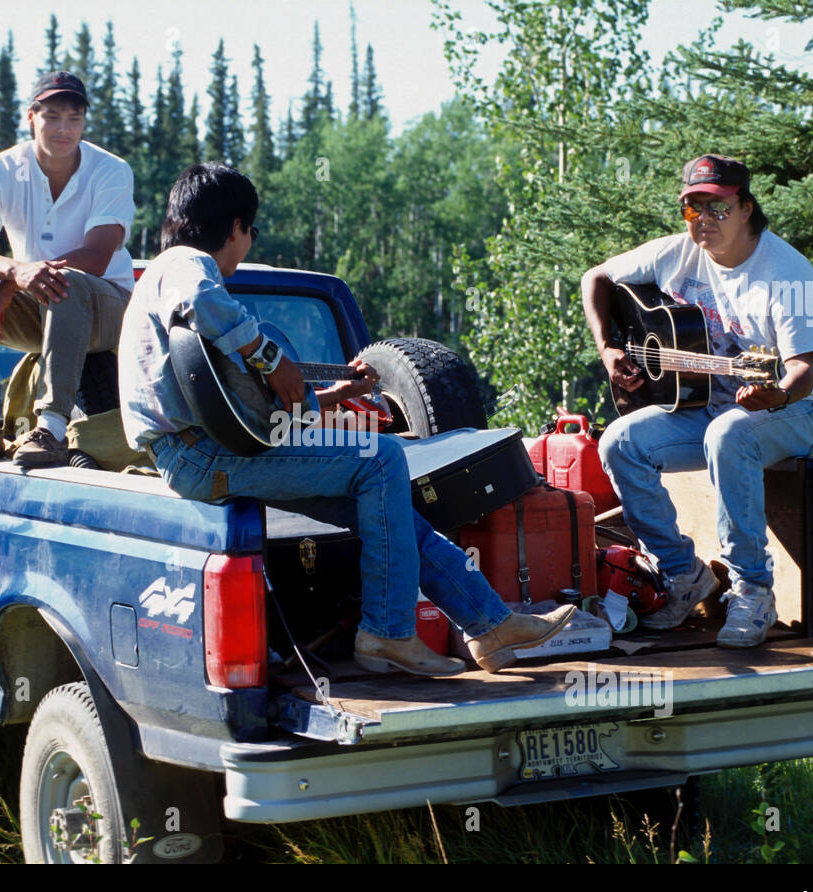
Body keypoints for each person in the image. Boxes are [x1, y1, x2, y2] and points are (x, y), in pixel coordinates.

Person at [117, 162, 577, 677]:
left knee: (391, 514)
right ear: (235, 228)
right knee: (380, 458)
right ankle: (386, 633)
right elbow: (201, 301)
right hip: (201, 453)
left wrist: (334, 395)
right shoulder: (184, 263)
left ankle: (490, 625)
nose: (248, 244)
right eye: (252, 231)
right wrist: (271, 357)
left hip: (216, 449)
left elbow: (244, 412)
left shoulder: (171, 275)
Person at [580, 154, 813, 648]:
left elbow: (803, 372)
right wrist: (609, 347)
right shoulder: (675, 253)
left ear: (746, 207)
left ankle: (753, 589)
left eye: (717, 208)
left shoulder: (790, 273)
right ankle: (683, 574)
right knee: (619, 443)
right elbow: (596, 277)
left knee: (730, 433)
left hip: (792, 409)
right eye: (693, 209)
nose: (703, 221)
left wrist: (777, 392)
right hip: (704, 406)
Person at [0, 71, 135, 468]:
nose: (64, 129)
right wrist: (13, 273)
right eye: (53, 116)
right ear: (31, 117)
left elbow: (96, 256)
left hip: (107, 310)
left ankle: (52, 429)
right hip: (36, 307)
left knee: (68, 282)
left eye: (75, 119)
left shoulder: (111, 170)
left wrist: (18, 277)